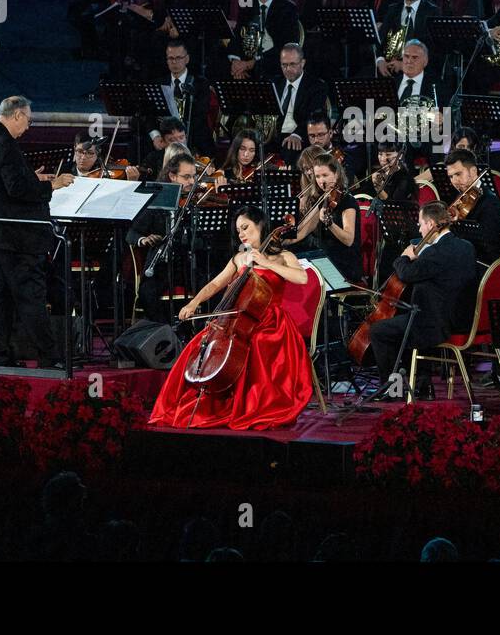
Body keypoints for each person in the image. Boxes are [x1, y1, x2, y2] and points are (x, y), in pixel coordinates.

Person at [151, 206, 314, 430]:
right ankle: (213, 401)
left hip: (271, 322)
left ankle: (254, 404)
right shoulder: (240, 258)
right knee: (199, 344)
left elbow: (302, 278)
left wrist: (266, 263)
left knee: (258, 344)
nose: (242, 234)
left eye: (246, 227)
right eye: (238, 231)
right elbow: (216, 284)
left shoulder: (284, 256)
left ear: (261, 226)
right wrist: (194, 302)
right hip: (239, 319)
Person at [0, 96, 75, 366]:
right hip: (18, 237)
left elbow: (0, 183)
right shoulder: (5, 142)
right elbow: (16, 189)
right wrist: (53, 185)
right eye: (28, 120)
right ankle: (50, 357)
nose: (28, 127)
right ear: (16, 115)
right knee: (31, 297)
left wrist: (32, 177)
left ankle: (1, 355)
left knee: (0, 297)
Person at [365, 201, 478, 399]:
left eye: (420, 223)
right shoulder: (466, 247)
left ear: (431, 224)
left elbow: (406, 274)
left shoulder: (435, 253)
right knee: (411, 316)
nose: (418, 228)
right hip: (463, 319)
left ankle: (393, 391)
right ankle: (423, 386)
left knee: (380, 330)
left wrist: (405, 257)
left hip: (438, 324)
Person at [128, 151, 200, 324]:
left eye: (194, 177)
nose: (192, 182)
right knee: (147, 294)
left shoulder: (196, 202)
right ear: (172, 176)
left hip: (190, 265)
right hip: (161, 265)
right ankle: (166, 334)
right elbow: (132, 233)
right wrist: (143, 240)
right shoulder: (157, 202)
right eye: (186, 177)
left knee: (212, 288)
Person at [294, 153, 362, 284]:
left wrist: (330, 224)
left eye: (325, 175)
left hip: (344, 264)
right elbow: (303, 231)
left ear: (336, 174)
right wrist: (281, 241)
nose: (321, 181)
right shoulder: (323, 199)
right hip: (326, 258)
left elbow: (348, 240)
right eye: (318, 176)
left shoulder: (347, 201)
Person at [270, 43, 327, 164]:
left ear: (302, 63)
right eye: (284, 65)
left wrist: (297, 135)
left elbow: (313, 116)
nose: (288, 69)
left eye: (292, 64)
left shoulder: (316, 86)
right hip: (274, 135)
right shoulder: (274, 83)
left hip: (298, 134)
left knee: (290, 148)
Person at [444, 148, 500, 264]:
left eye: (458, 174)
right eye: (451, 177)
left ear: (473, 171)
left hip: (478, 263)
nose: (454, 181)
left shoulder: (490, 201)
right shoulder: (457, 197)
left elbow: (490, 246)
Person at [159, 40, 214, 156]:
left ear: (187, 59)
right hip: (165, 138)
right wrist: (156, 136)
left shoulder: (201, 84)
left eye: (178, 58)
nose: (174, 62)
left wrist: (179, 138)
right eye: (171, 58)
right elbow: (150, 116)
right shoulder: (159, 84)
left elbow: (200, 117)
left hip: (194, 138)